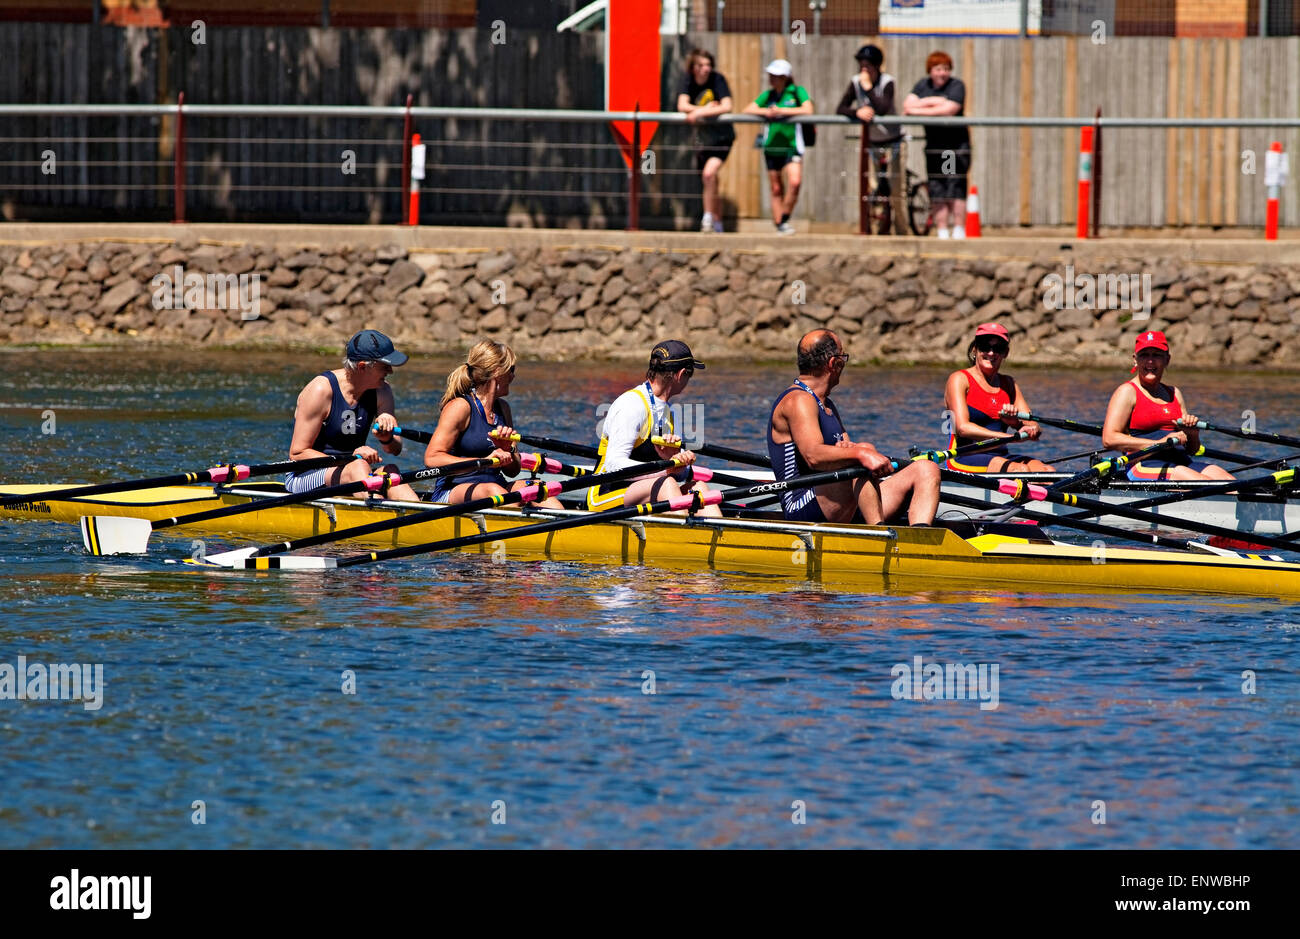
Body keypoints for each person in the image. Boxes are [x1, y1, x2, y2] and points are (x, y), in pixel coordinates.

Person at [767, 329, 940, 525]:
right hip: (802, 505)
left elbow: (846, 447)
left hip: (844, 499)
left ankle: (920, 540)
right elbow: (813, 456)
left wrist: (857, 452)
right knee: (860, 456)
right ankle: (880, 535)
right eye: (843, 356)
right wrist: (860, 454)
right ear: (833, 363)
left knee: (927, 469)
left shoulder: (827, 404)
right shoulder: (798, 400)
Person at [587, 340, 722, 517]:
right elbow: (614, 465)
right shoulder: (632, 405)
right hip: (605, 495)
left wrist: (679, 465)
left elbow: (677, 475)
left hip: (647, 490)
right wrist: (664, 470)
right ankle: (681, 539)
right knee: (666, 483)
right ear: (681, 375)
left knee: (699, 487)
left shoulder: (671, 413)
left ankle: (722, 541)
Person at [285, 328, 420, 502]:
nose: (390, 371)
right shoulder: (321, 390)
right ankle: (376, 514)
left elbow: (394, 449)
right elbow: (297, 453)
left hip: (354, 471)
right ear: (363, 366)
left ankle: (427, 522)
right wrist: (350, 459)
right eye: (385, 366)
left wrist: (387, 437)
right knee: (357, 466)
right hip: (304, 475)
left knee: (391, 472)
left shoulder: (382, 391)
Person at [424, 339, 563, 507]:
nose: (514, 376)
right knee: (493, 491)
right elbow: (432, 458)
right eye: (511, 370)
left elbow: (513, 472)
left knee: (537, 489)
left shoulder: (503, 409)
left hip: (498, 485)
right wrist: (485, 461)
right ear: (498, 373)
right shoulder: (460, 407)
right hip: (453, 490)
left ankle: (570, 531)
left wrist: (508, 451)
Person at [1101, 331, 1235, 482]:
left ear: (1167, 360)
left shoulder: (1174, 393)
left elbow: (1192, 449)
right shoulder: (1127, 392)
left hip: (1181, 461)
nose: (1150, 361)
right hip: (1144, 465)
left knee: (1230, 483)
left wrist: (1192, 434)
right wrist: (1160, 443)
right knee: (1209, 485)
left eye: (1156, 355)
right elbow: (1109, 439)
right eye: (1145, 355)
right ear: (1135, 360)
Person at [943, 323, 1054, 473]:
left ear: (1005, 352)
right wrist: (1009, 437)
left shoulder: (1009, 384)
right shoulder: (959, 379)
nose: (991, 353)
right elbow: (963, 428)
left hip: (1001, 455)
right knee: (1020, 469)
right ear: (975, 349)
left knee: (1047, 471)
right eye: (984, 346)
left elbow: (1035, 427)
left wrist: (1014, 422)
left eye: (998, 348)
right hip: (964, 456)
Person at [835, 43, 903, 234]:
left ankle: (902, 230)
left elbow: (882, 108)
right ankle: (876, 229)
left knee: (897, 189)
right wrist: (857, 112)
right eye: (861, 66)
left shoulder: (887, 82)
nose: (863, 70)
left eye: (868, 66)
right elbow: (841, 107)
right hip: (872, 143)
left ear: (876, 66)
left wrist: (868, 88)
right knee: (873, 187)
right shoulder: (855, 81)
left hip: (893, 140)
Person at [902, 50, 970, 239]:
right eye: (938, 69)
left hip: (952, 147)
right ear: (930, 70)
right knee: (937, 186)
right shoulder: (923, 85)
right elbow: (908, 106)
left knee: (953, 184)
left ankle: (957, 228)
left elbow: (950, 109)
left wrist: (922, 107)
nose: (942, 73)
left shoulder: (956, 85)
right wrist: (936, 101)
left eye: (946, 69)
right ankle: (941, 230)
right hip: (934, 144)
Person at [743, 59, 813, 235]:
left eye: (777, 76)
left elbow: (808, 110)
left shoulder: (796, 92)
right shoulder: (769, 95)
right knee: (776, 188)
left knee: (795, 182)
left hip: (792, 146)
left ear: (785, 77)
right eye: (771, 75)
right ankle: (779, 226)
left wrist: (782, 111)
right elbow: (748, 109)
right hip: (772, 147)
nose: (773, 79)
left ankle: (784, 218)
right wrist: (767, 112)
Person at [676, 48, 734, 234]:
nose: (706, 69)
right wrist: (704, 108)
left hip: (722, 138)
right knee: (710, 181)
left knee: (709, 174)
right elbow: (681, 105)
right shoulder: (688, 81)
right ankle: (718, 224)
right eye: (701, 65)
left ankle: (707, 219)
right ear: (693, 68)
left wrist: (698, 112)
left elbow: (727, 106)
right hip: (702, 140)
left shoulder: (718, 80)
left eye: (708, 65)